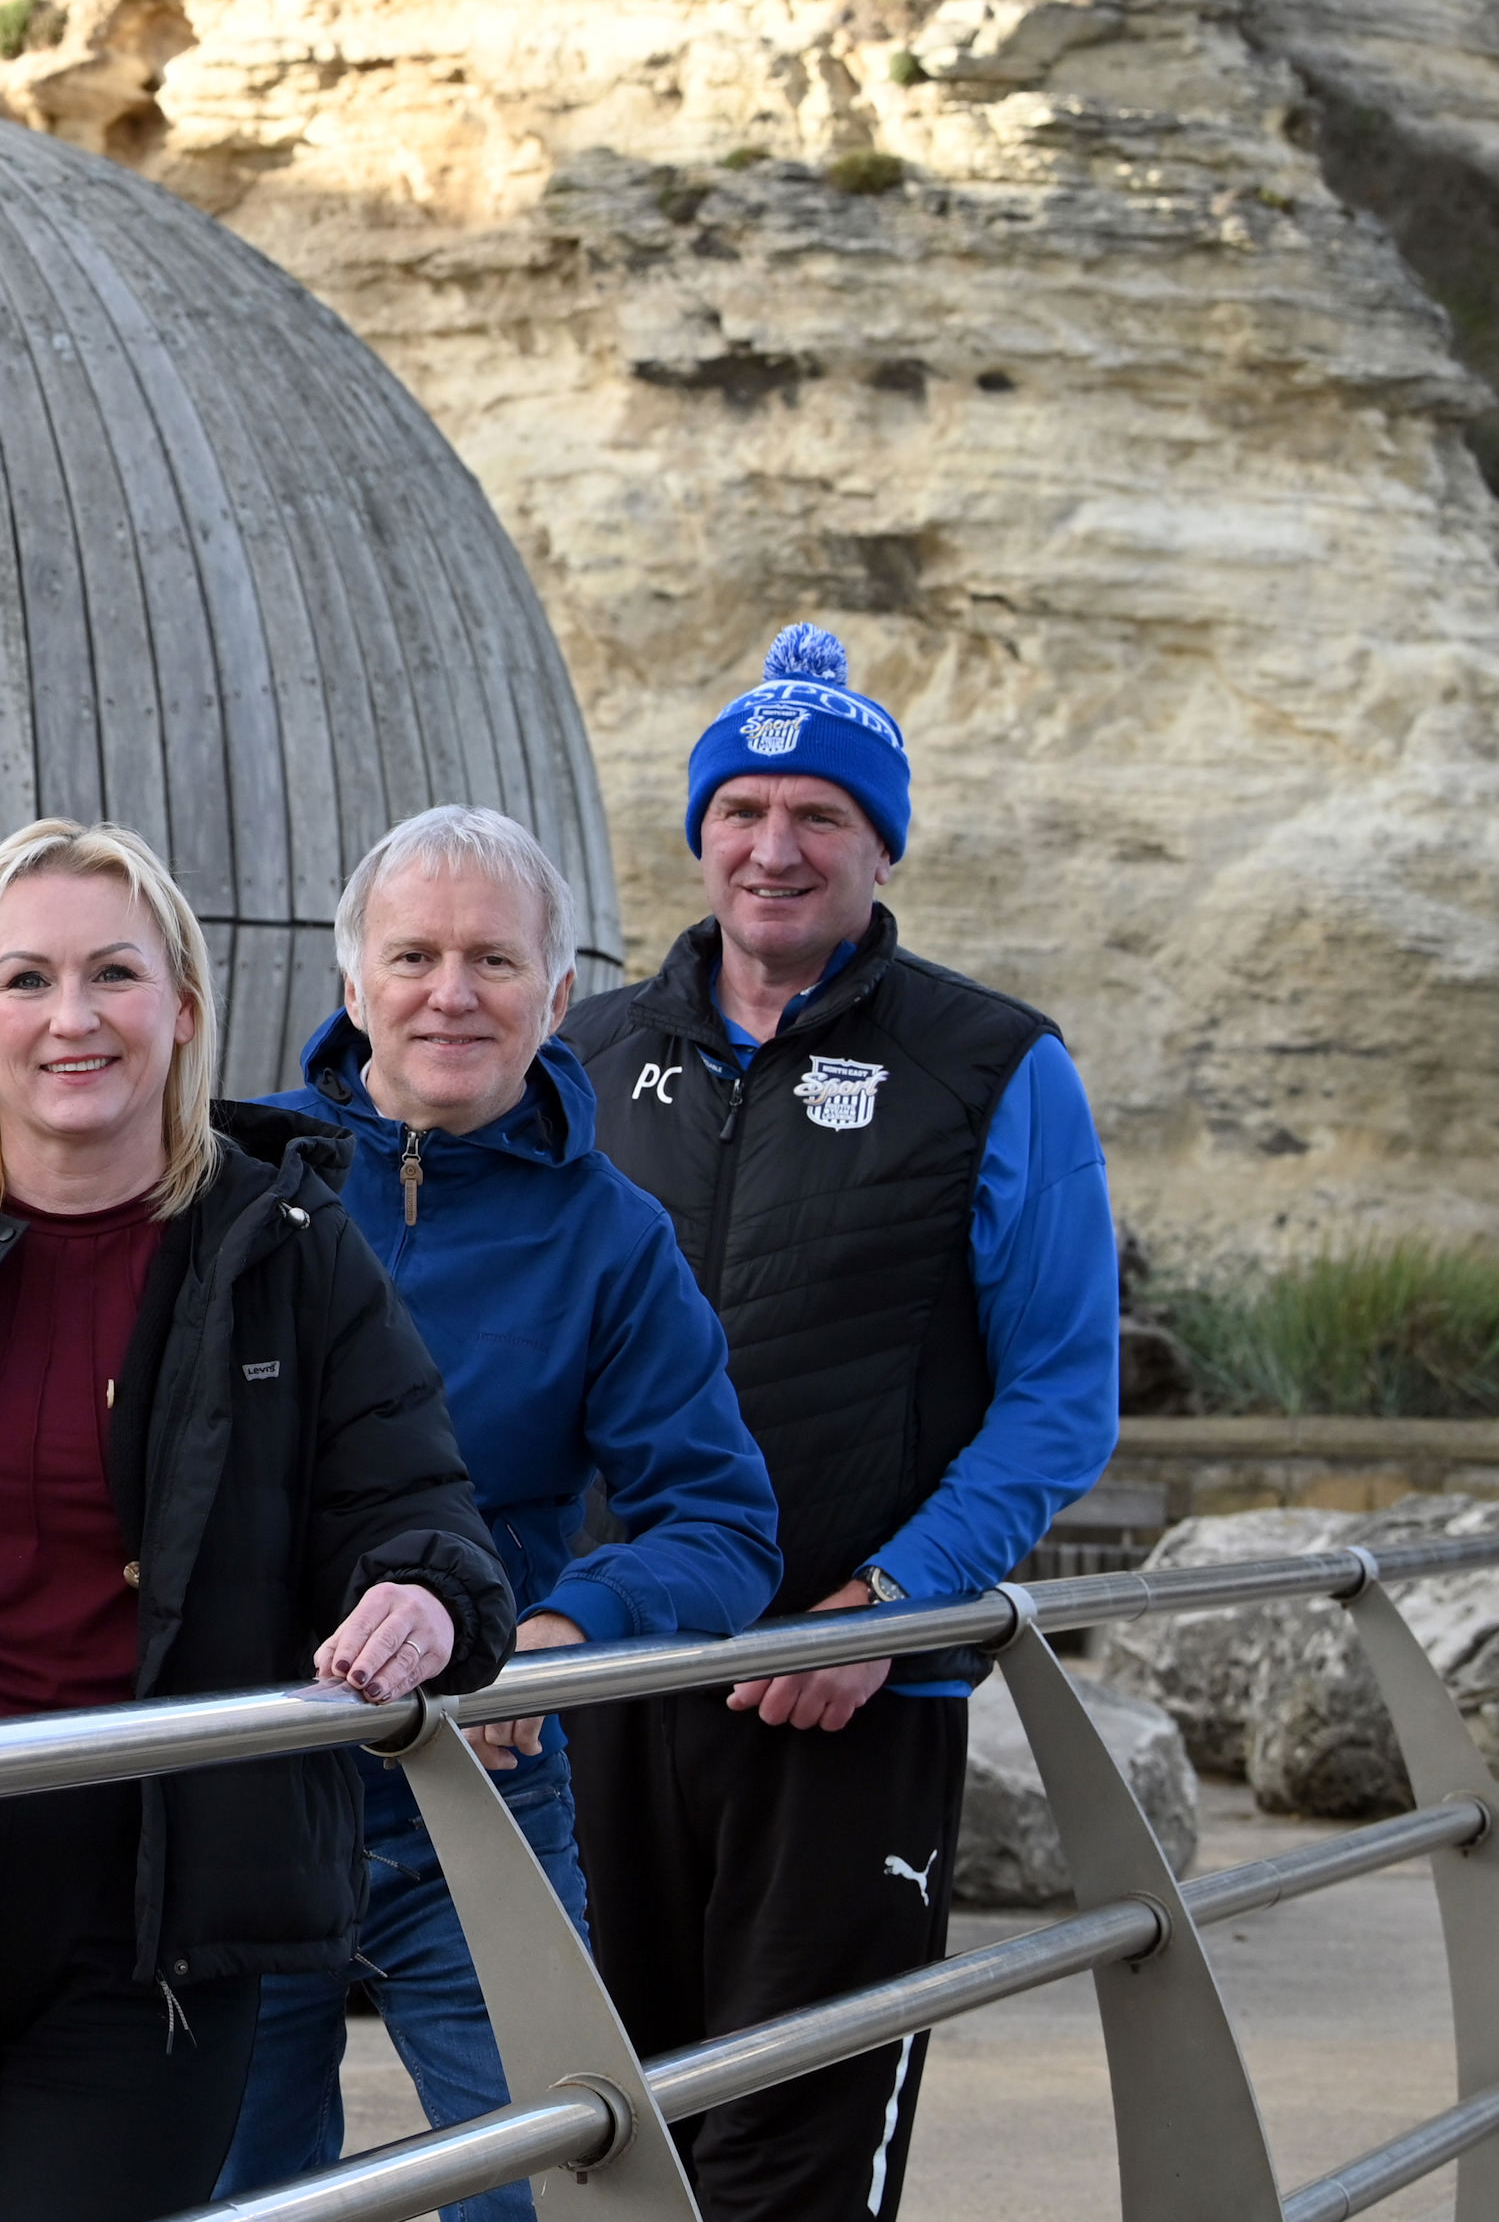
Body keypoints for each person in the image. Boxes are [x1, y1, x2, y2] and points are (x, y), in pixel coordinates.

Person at [0, 819, 516, 2222]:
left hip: (156, 1912)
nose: (73, 1018)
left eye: (115, 974)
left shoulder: (289, 1255)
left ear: (183, 1008)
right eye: (27, 979)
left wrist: (421, 1594)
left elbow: (422, 1511)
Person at [559, 625, 1121, 2222]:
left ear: (882, 844)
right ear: (698, 831)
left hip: (856, 1697)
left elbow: (1064, 1395)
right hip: (612, 1681)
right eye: (743, 807)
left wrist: (891, 1602)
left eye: (822, 813)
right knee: (602, 2138)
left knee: (791, 2158)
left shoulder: (992, 1066)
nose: (775, 845)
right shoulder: (589, 1060)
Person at [215, 807, 782, 2222]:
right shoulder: (229, 1201)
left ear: (559, 994)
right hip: (237, 1780)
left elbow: (723, 1523)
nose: (451, 993)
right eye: (413, 954)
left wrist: (562, 1626)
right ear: (351, 985)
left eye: (492, 958)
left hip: (477, 1781)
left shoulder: (611, 1241)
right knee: (236, 2195)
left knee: (551, 2189)